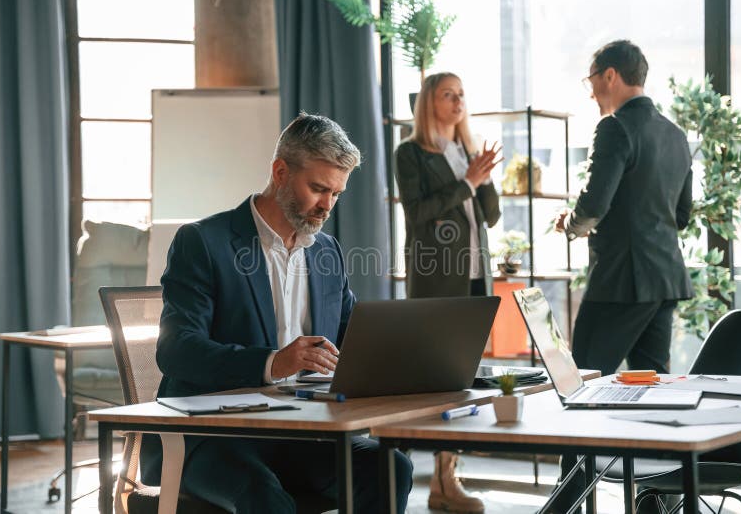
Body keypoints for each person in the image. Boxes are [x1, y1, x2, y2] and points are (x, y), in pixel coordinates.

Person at [141, 113, 413, 514]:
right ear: (280, 172)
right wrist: (273, 362)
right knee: (263, 495)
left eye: (336, 194)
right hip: (209, 435)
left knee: (389, 468)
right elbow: (177, 350)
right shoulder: (203, 242)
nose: (327, 206)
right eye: (319, 189)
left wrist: (409, 358)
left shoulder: (326, 252)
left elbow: (353, 337)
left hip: (301, 430)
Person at [550, 40, 693, 513]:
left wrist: (571, 225)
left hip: (622, 279)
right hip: (665, 279)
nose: (590, 91)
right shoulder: (674, 134)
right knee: (654, 394)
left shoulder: (614, 128)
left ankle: (567, 499)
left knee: (579, 383)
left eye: (591, 79)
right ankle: (658, 499)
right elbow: (684, 214)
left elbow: (594, 204)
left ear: (609, 75)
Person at [395, 72, 501, 513]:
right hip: (438, 276)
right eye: (448, 94)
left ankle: (446, 478)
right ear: (428, 102)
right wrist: (467, 183)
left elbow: (491, 217)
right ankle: (441, 478)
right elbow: (418, 214)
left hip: (475, 276)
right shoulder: (410, 153)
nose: (458, 101)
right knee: (440, 382)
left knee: (464, 382)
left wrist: (483, 175)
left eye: (462, 95)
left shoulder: (464, 150)